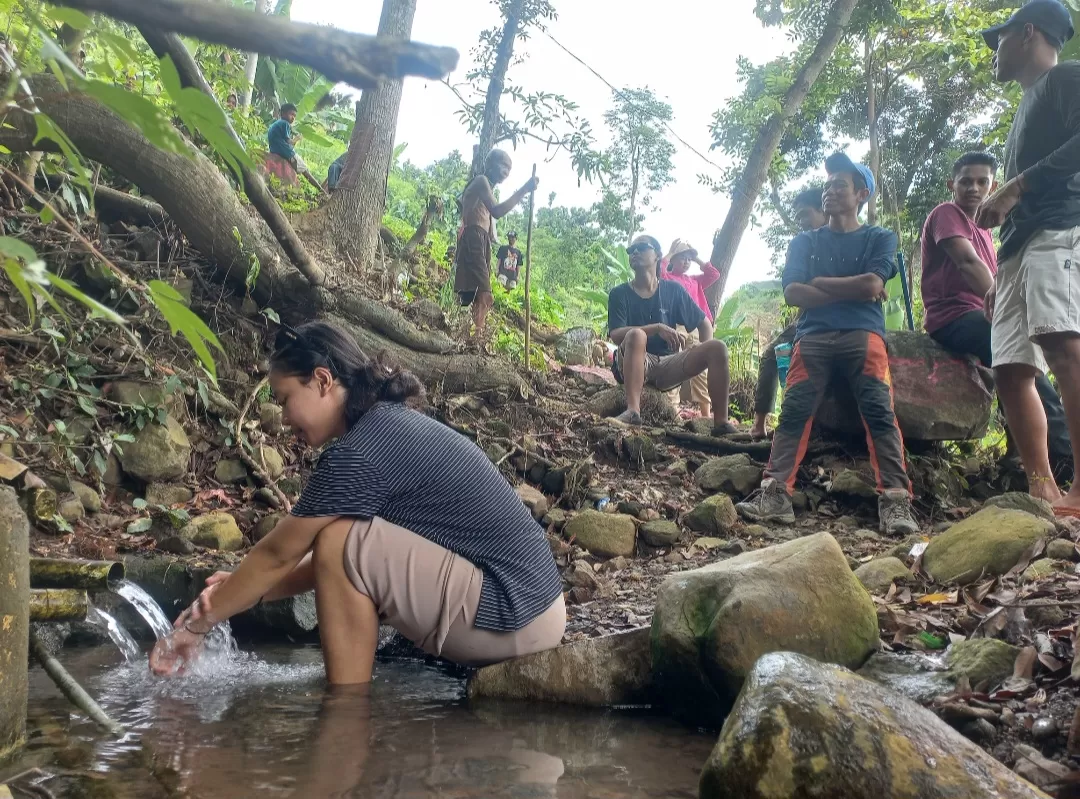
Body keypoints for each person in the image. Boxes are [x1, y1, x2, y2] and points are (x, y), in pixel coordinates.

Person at [149, 322, 565, 684]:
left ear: (323, 381)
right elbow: (339, 565)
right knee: (341, 540)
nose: (281, 417)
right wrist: (248, 590)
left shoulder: (360, 452)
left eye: (284, 398)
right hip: (533, 610)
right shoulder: (383, 426)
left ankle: (346, 713)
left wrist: (197, 624)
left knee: (338, 539)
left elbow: (283, 552)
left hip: (513, 615)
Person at [736, 152, 919, 536]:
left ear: (861, 194)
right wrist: (854, 289)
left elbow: (872, 285)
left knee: (879, 409)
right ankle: (774, 494)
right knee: (795, 410)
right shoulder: (805, 241)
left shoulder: (879, 237)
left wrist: (820, 284)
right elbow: (792, 293)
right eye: (828, 184)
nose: (830, 191)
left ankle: (897, 501)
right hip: (813, 336)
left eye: (840, 185)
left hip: (862, 336)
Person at [975, 0, 1080, 514]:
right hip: (1017, 252)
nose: (995, 50)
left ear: (1029, 33)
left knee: (1063, 348)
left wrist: (1017, 184)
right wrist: (1000, 268)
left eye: (1002, 37)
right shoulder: (1026, 104)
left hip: (1059, 231)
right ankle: (1043, 488)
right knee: (1011, 370)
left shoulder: (1067, 79)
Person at [922, 151, 1071, 470]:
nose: (973, 188)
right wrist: (1005, 309)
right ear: (952, 184)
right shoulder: (946, 213)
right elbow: (966, 262)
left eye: (982, 182)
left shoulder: (988, 234)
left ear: (994, 186)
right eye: (965, 181)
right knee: (1018, 353)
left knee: (1023, 360)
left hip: (983, 315)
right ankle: (1063, 453)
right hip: (953, 317)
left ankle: (1023, 456)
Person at [606, 234, 734, 432]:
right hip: (634, 360)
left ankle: (721, 423)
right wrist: (657, 328)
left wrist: (703, 346)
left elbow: (705, 323)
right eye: (631, 250)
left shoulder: (673, 290)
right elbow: (615, 335)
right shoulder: (619, 293)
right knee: (637, 335)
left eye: (642, 247)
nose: (635, 252)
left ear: (657, 255)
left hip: (667, 364)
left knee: (717, 348)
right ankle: (633, 411)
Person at [750, 186, 827, 440]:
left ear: (823, 211)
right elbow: (793, 290)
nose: (802, 222)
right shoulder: (803, 245)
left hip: (834, 320)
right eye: (799, 218)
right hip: (807, 319)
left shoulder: (841, 240)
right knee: (772, 354)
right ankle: (759, 424)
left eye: (806, 214)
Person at [454, 150, 538, 343]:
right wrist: (525, 189)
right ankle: (476, 339)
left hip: (481, 240)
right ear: (490, 163)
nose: (506, 171)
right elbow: (497, 211)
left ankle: (471, 336)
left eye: (509, 169)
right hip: (474, 238)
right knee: (485, 295)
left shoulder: (487, 186)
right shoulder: (481, 181)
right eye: (503, 166)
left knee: (476, 294)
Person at [660, 239, 721, 418]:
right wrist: (671, 252)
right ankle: (673, 410)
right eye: (682, 258)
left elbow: (714, 274)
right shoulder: (668, 279)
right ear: (673, 260)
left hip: (696, 327)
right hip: (675, 326)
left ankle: (705, 413)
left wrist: (697, 259)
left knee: (702, 369)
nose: (686, 262)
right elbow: (659, 269)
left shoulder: (695, 281)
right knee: (673, 364)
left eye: (688, 259)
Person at [267, 103, 328, 197]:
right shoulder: (284, 123)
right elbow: (289, 143)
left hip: (275, 151)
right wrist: (297, 138)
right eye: (291, 114)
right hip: (286, 153)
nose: (293, 118)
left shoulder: (275, 124)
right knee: (305, 170)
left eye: (294, 116)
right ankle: (322, 192)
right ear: (282, 114)